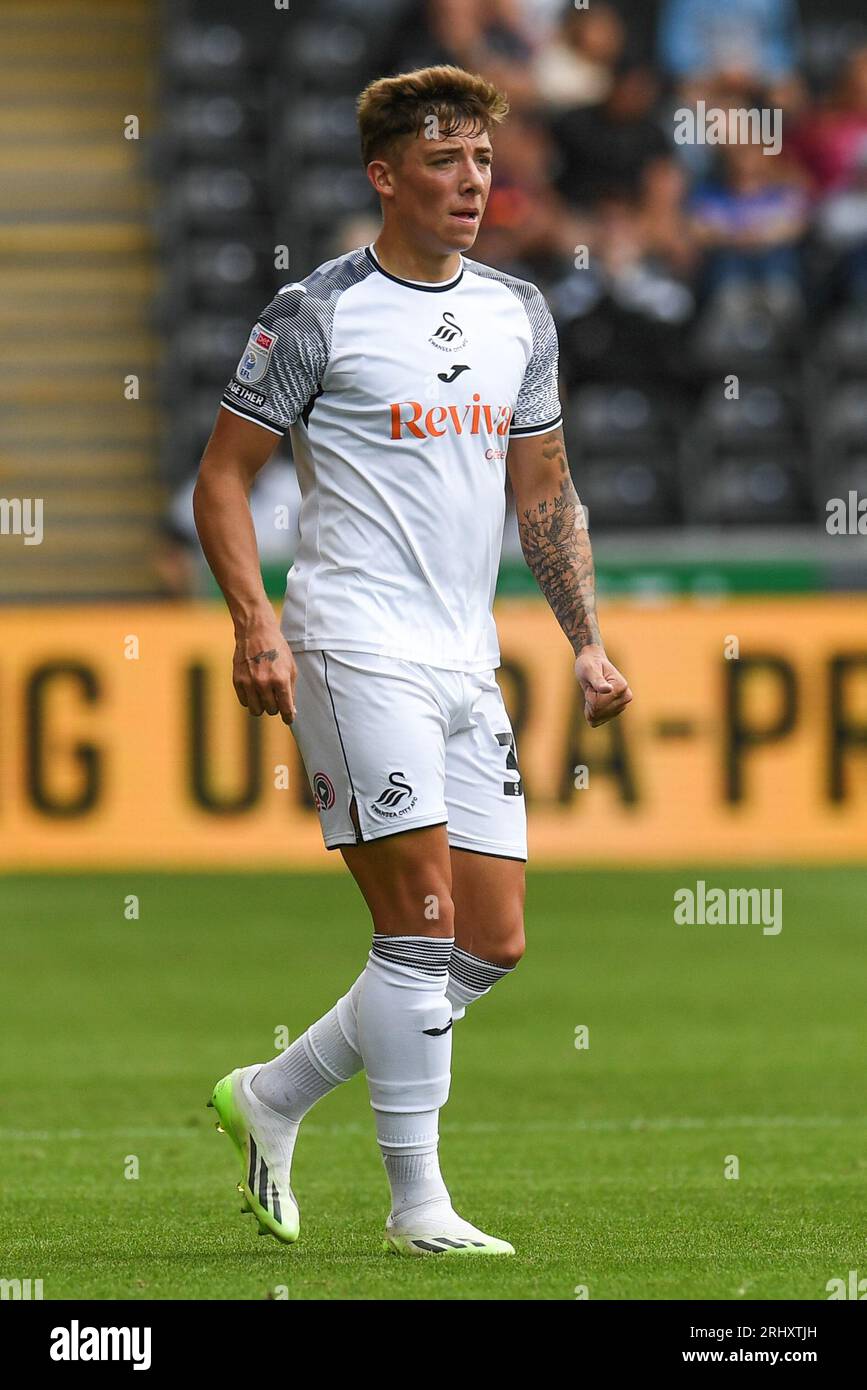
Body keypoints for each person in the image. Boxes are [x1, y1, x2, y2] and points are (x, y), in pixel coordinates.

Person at [193, 64, 632, 1258]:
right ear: (385, 176)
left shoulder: (516, 314)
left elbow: (543, 490)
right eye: (444, 163)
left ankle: (273, 1094)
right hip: (350, 643)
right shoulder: (315, 310)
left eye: (484, 161)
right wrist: (254, 620)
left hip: (463, 658)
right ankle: (415, 1206)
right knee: (420, 929)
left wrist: (584, 641)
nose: (472, 183)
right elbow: (221, 477)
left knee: (492, 938)